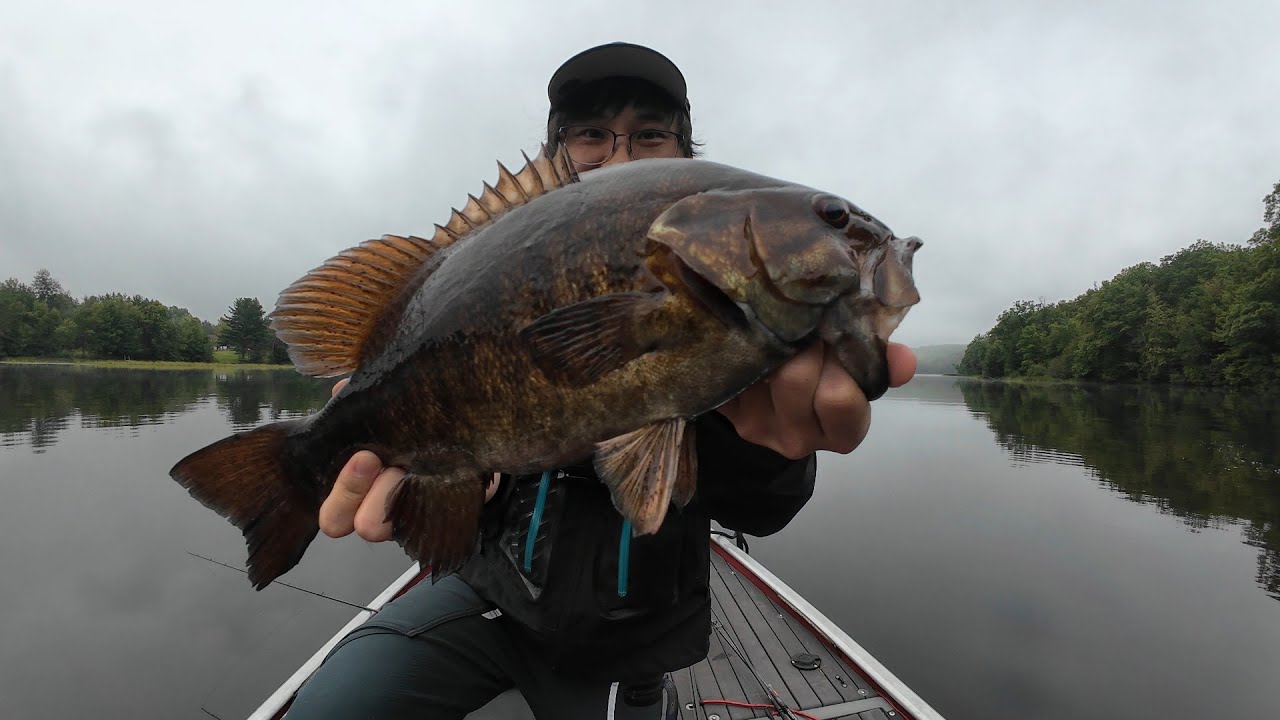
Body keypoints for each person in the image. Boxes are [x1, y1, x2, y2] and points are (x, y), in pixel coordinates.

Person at [285, 42, 917, 719]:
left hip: (628, 639)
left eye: (650, 133)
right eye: (591, 135)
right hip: (485, 599)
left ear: (688, 157)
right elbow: (492, 391)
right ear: (556, 153)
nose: (620, 155)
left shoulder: (748, 336)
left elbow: (766, 508)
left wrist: (764, 449)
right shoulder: (513, 248)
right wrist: (458, 476)